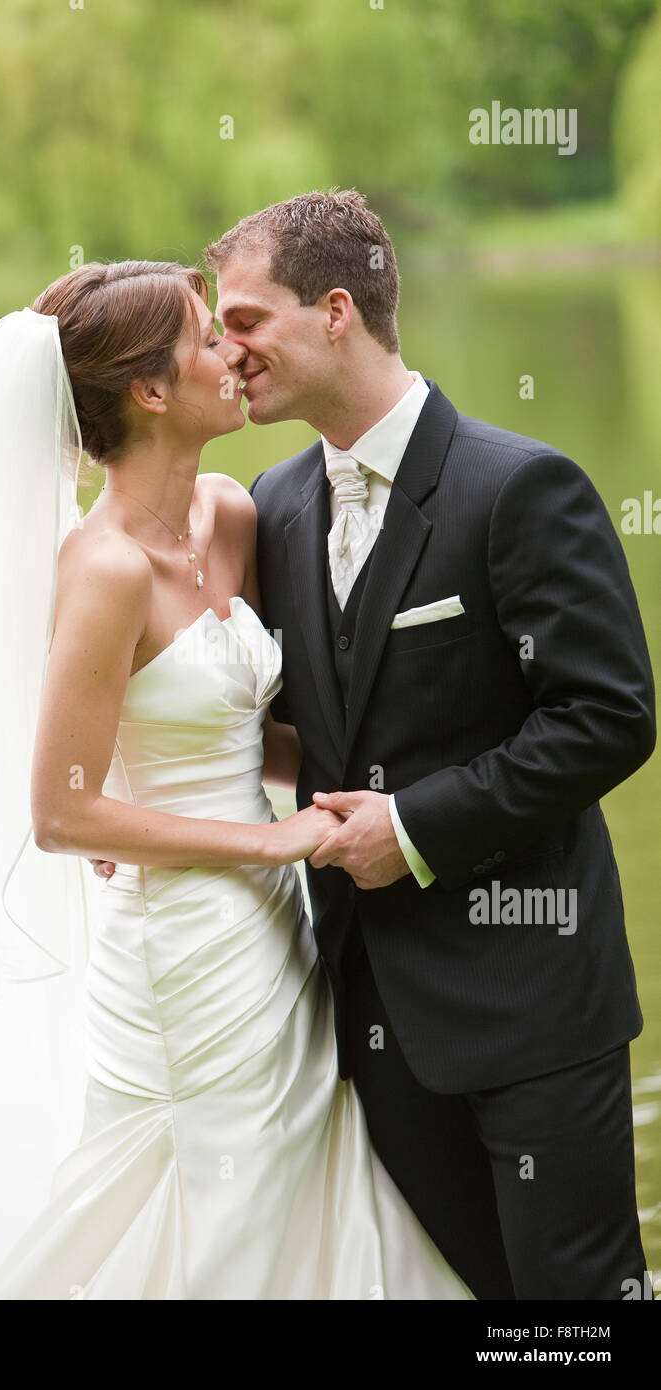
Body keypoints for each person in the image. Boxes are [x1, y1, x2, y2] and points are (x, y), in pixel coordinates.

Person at [0, 258, 472, 1298]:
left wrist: (427, 786)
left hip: (279, 927)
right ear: (147, 391)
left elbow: (266, 725)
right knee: (221, 1209)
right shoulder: (103, 571)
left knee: (315, 1186)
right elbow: (59, 810)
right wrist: (269, 838)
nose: (233, 352)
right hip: (184, 950)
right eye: (203, 338)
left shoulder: (230, 513)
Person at [195, 188, 654, 1300]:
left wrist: (413, 826)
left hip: (530, 1001)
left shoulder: (518, 488)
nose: (225, 349)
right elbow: (288, 725)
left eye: (246, 319)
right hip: (362, 1014)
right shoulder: (278, 501)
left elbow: (608, 715)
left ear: (336, 311)